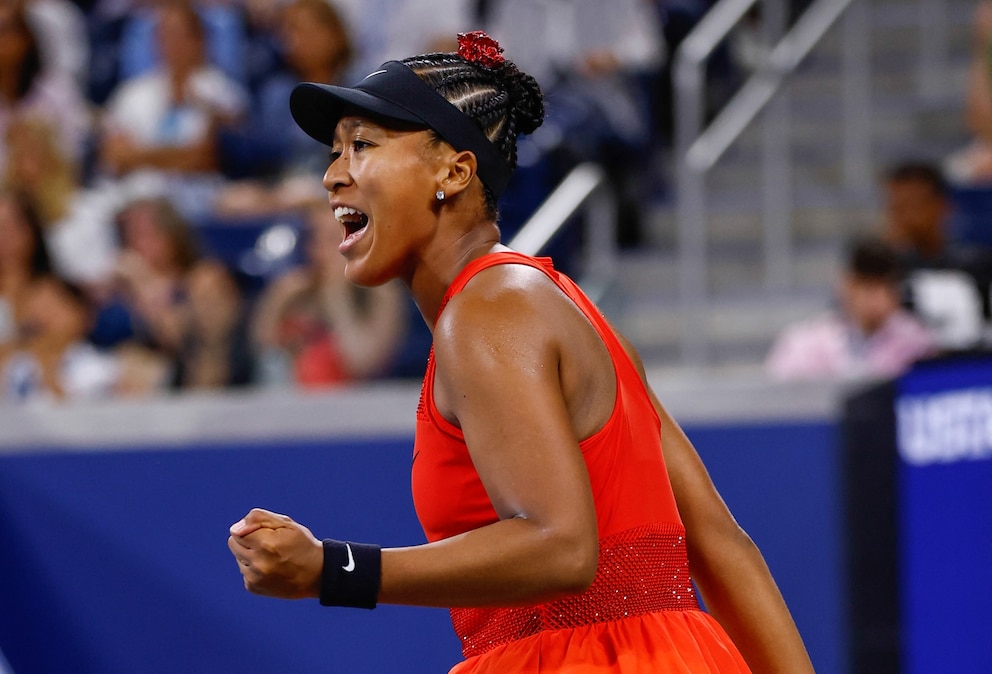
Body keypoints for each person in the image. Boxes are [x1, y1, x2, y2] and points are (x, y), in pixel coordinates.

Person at [228, 32, 814, 673]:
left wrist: (334, 569)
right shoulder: (551, 301)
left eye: (362, 145)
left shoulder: (488, 310)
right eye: (334, 150)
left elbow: (561, 547)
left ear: (453, 171)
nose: (333, 173)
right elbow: (716, 541)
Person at [249, 200, 406, 388]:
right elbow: (263, 356)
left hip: (359, 405)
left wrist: (337, 295)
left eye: (331, 239)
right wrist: (277, 300)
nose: (319, 251)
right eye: (314, 240)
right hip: (293, 404)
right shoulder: (297, 290)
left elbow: (362, 362)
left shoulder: (381, 290)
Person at [765, 235, 938, 382]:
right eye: (865, 284)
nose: (874, 296)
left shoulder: (917, 345)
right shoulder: (803, 344)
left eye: (883, 285)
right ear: (845, 284)